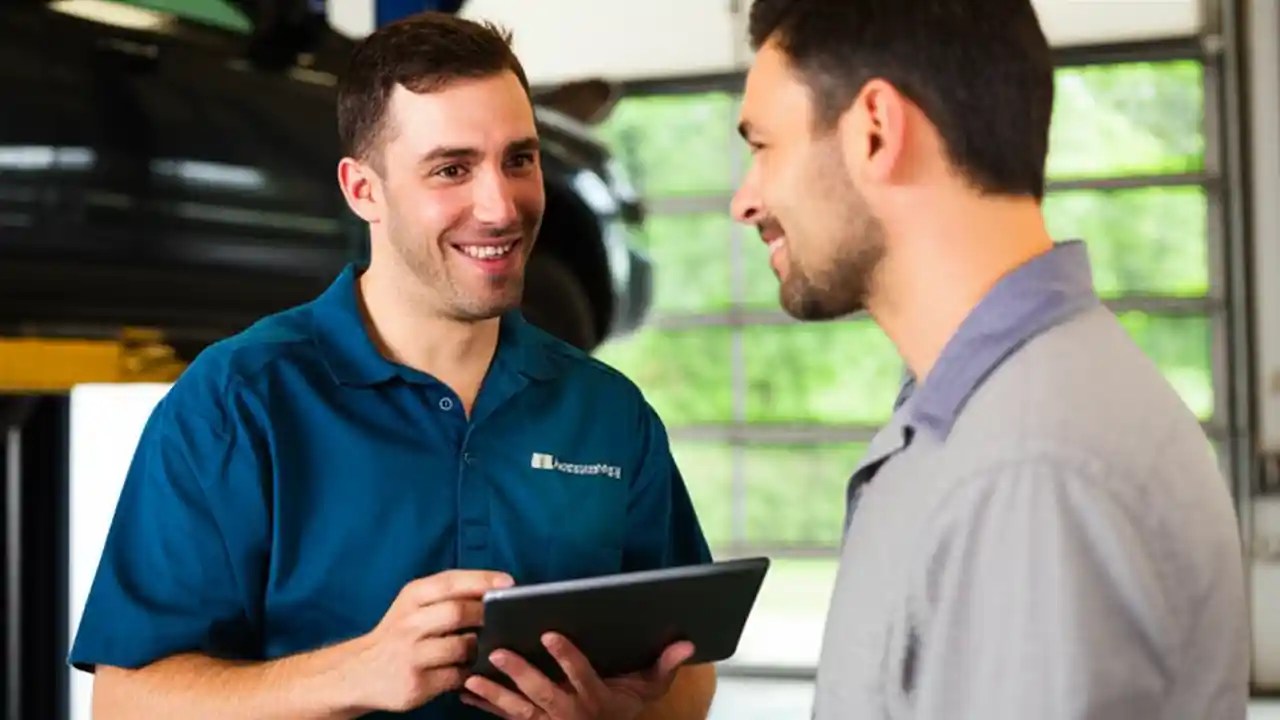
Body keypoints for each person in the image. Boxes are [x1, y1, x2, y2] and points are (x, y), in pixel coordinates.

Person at [69, 12, 717, 720]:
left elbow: (689, 673)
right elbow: (126, 701)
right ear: (362, 190)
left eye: (519, 159)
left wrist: (621, 714)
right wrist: (356, 672)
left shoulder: (609, 415)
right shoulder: (238, 402)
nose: (501, 206)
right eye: (451, 169)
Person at [730, 1, 1249, 718]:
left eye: (762, 146)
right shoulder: (985, 414)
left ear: (875, 129)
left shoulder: (1032, 470)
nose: (744, 200)